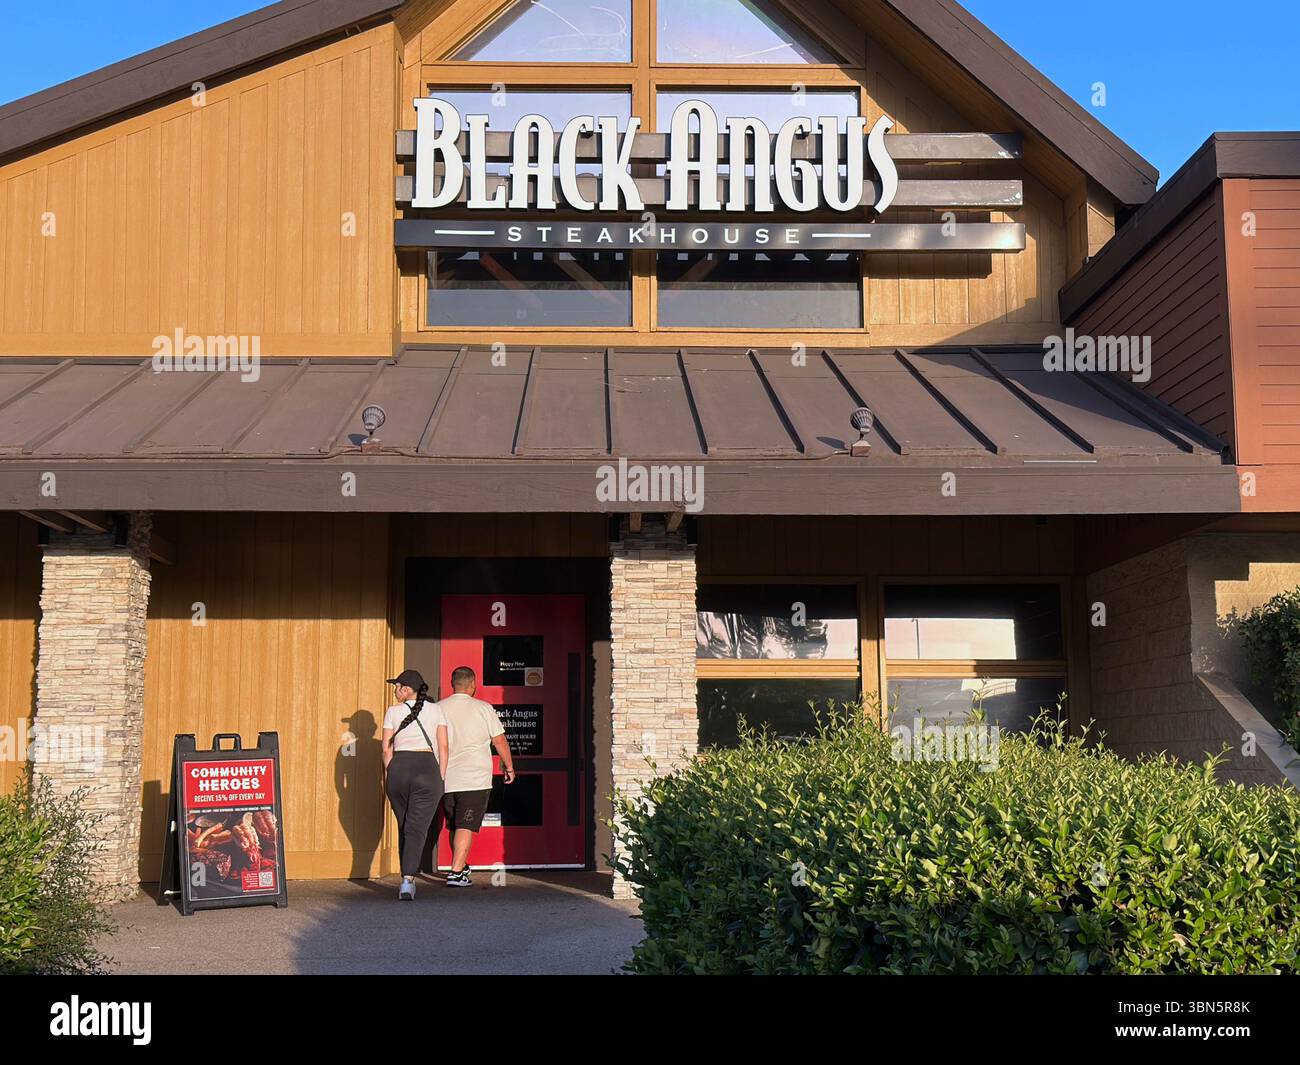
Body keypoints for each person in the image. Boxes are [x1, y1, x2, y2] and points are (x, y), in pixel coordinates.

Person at [438, 666, 515, 887]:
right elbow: (499, 740)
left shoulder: (438, 709)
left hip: (446, 777)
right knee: (466, 825)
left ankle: (460, 868)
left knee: (455, 824)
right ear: (473, 684)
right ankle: (455, 873)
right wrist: (508, 766)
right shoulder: (483, 708)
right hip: (474, 778)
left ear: (453, 684)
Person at [382, 669, 448, 901]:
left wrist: (390, 773)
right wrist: (439, 777)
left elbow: (386, 749)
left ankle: (406, 876)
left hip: (399, 768)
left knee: (405, 825)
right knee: (416, 828)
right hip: (427, 768)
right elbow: (444, 747)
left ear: (407, 689)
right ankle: (407, 881)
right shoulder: (436, 710)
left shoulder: (392, 712)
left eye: (397, 686)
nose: (394, 690)